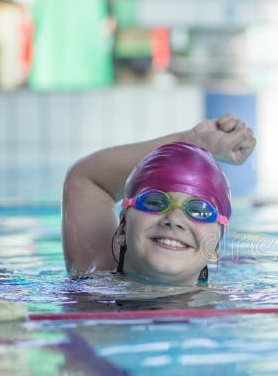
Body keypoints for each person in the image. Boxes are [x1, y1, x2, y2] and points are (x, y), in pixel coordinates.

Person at [62, 114, 256, 286]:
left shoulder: (232, 312)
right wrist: (192, 141)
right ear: (122, 229)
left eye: (199, 211)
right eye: (155, 202)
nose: (174, 219)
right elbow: (86, 177)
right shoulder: (91, 287)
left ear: (215, 249)